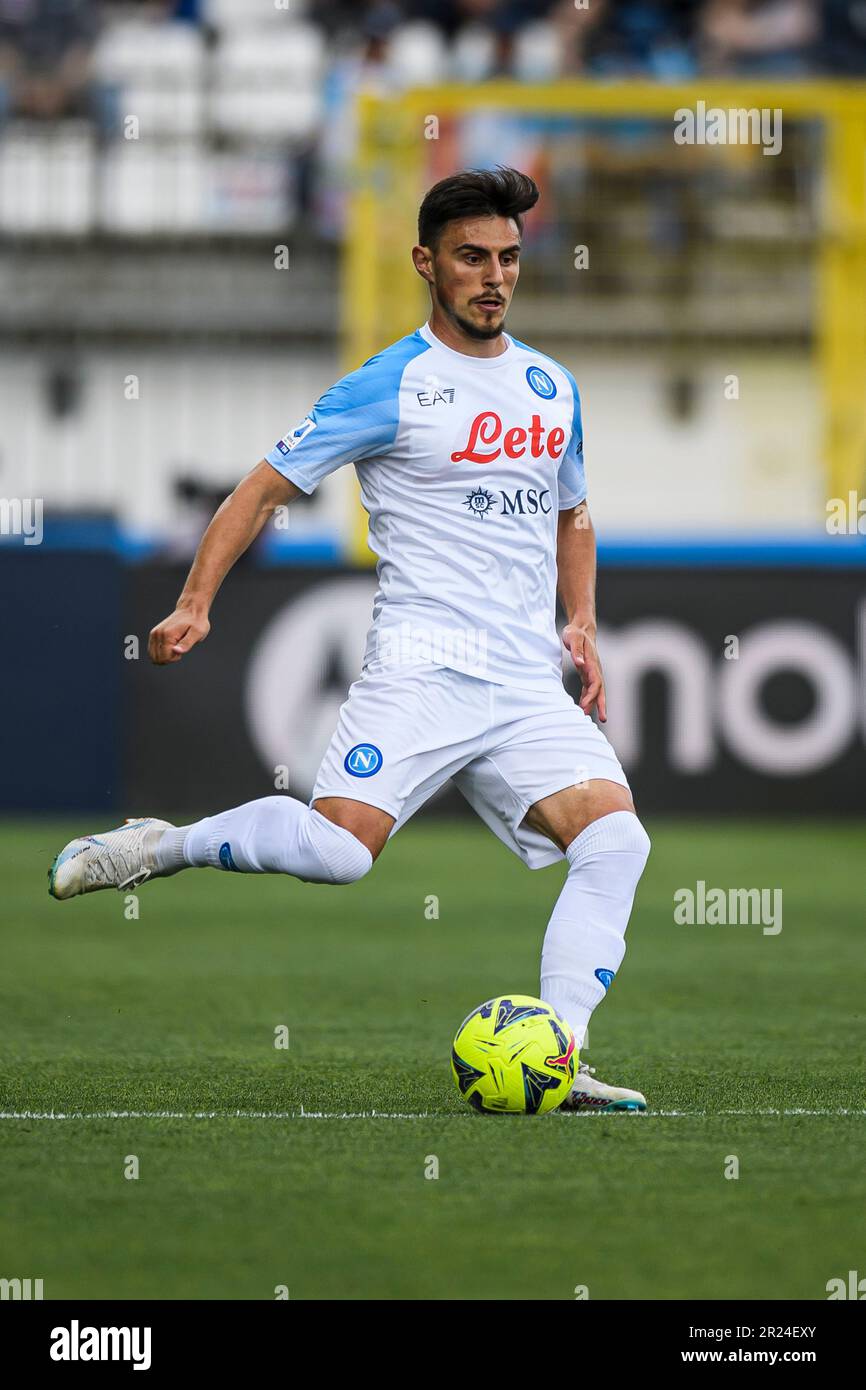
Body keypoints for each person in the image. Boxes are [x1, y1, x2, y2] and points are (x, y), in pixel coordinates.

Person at [49, 167, 651, 1113]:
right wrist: (197, 602)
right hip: (420, 668)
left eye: (507, 259)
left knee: (616, 841)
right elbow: (260, 488)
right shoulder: (391, 385)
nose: (492, 277)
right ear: (426, 263)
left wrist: (580, 619)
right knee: (340, 855)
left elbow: (572, 508)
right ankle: (162, 847)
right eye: (470, 258)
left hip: (525, 676)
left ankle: (558, 1057)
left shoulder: (551, 387)